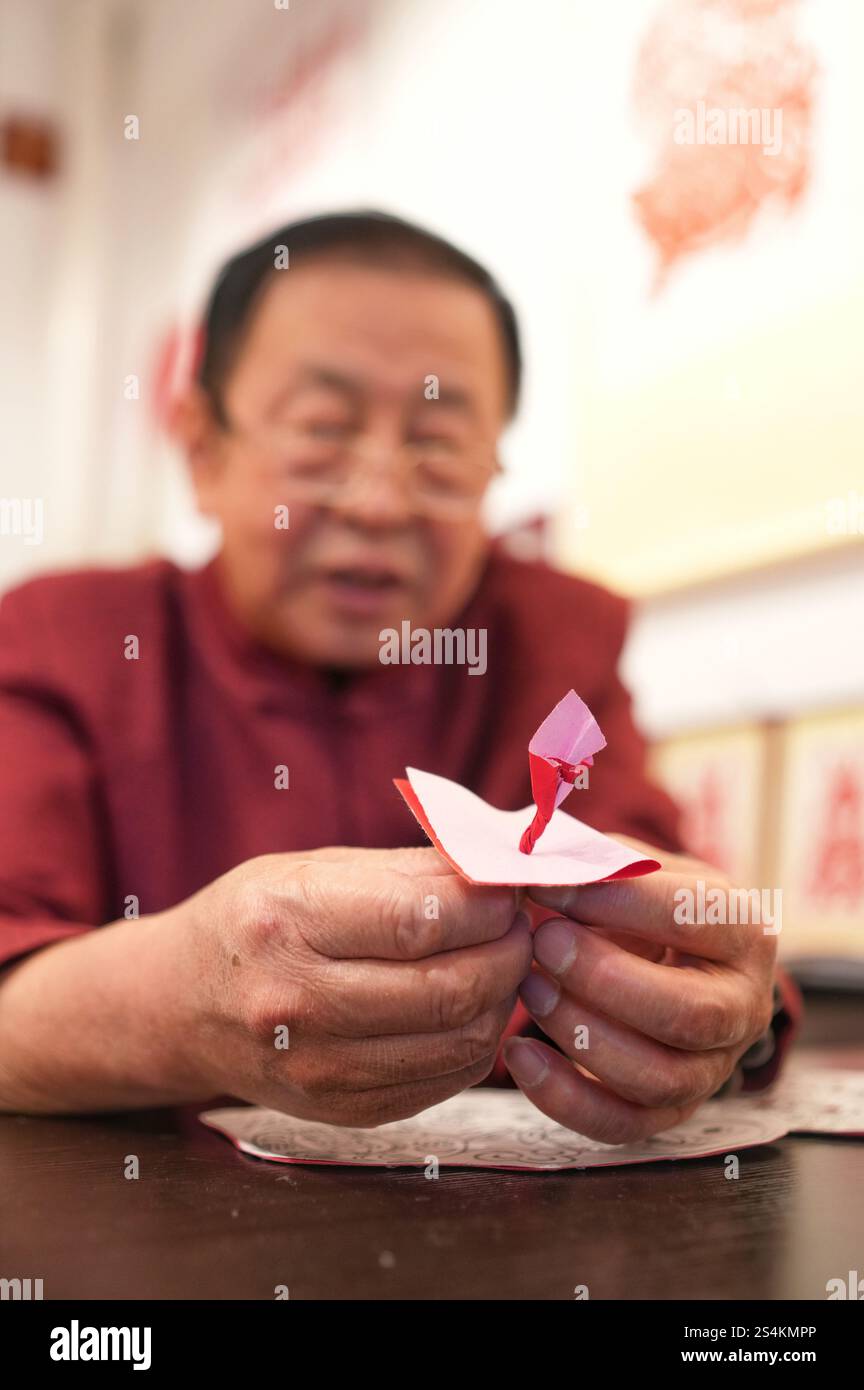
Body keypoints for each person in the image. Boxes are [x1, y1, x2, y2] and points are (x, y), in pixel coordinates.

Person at [0, 211, 797, 1140]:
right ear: (203, 450)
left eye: (439, 449)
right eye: (322, 434)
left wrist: (704, 1008)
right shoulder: (71, 638)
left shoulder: (550, 640)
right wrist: (186, 995)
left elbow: (666, 910)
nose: (379, 503)